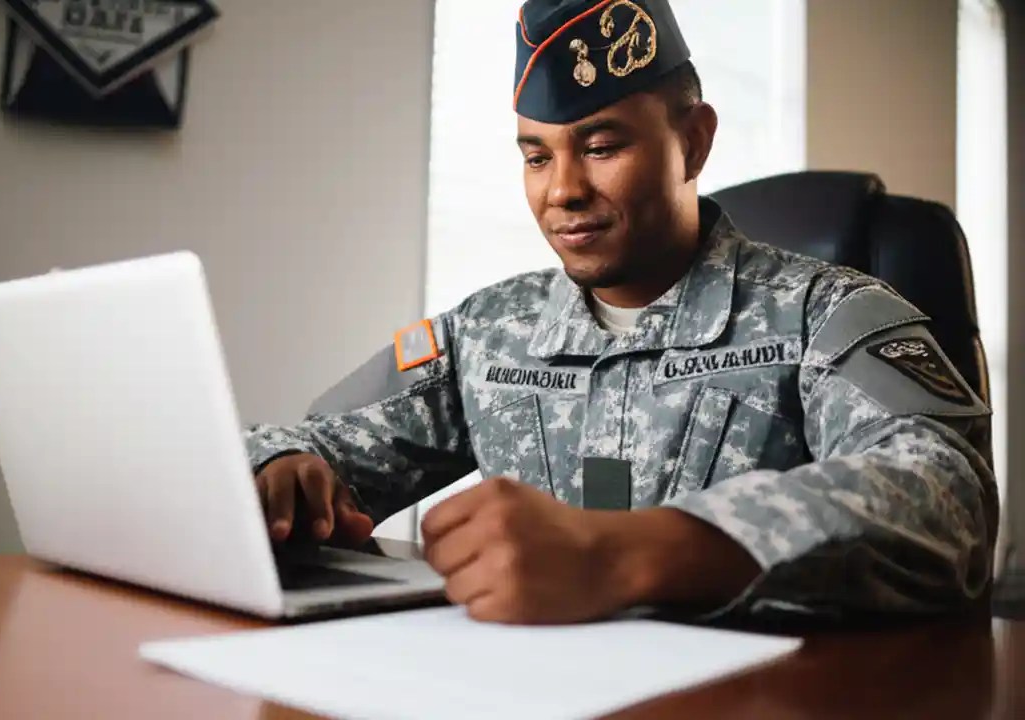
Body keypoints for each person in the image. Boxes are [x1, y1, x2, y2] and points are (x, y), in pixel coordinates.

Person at [245, 0, 998, 624]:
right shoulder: (488, 331)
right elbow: (313, 443)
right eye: (537, 157)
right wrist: (282, 467)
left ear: (692, 142)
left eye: (601, 146)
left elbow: (948, 495)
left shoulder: (828, 313)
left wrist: (640, 551)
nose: (562, 190)